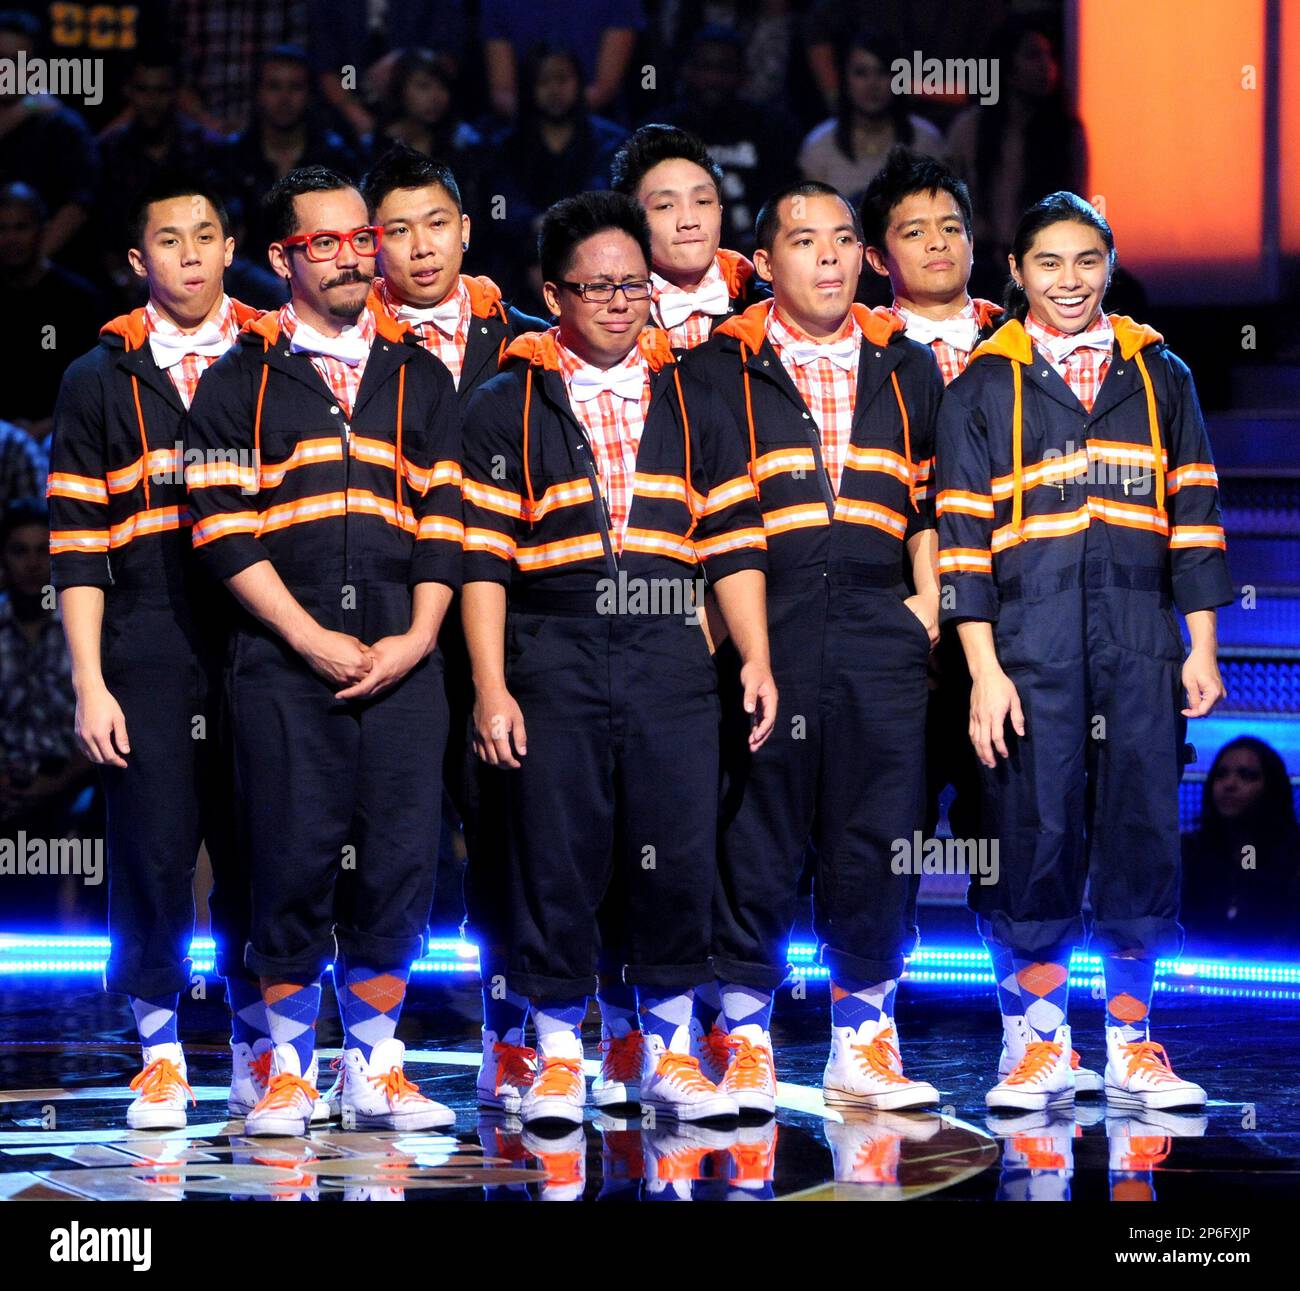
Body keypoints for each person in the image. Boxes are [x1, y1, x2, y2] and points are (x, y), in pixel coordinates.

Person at [459, 190, 776, 1127]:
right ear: (552, 292)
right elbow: (481, 557)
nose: (615, 302)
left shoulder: (698, 389)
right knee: (554, 857)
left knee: (675, 853)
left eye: (631, 285)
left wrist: (753, 654)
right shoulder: (504, 400)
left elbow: (735, 538)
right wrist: (490, 685)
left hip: (671, 651)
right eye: (593, 287)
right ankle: (559, 1051)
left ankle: (667, 1049)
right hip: (551, 648)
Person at [936, 191, 1232, 1114]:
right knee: (1034, 836)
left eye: (1087, 261)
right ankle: (1040, 1043)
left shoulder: (1159, 374)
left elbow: (1196, 513)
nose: (1071, 281)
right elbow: (958, 542)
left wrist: (1203, 646)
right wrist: (983, 669)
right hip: (1030, 651)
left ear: (1109, 264)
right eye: (1050, 264)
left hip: (1140, 642)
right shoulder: (982, 385)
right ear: (1016, 274)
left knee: (1141, 834)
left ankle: (1134, 1043)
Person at [184, 165, 463, 1137]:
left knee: (397, 866)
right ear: (280, 257)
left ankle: (373, 1063)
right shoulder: (236, 380)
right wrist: (305, 636)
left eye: (360, 238)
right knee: (291, 862)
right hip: (280, 656)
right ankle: (290, 1070)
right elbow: (218, 528)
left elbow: (449, 521)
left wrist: (418, 637)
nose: (351, 256)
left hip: (404, 652)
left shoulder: (422, 375)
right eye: (325, 243)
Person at [683, 181, 944, 1115]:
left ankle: (863, 1038)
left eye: (842, 240)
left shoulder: (907, 364)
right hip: (769, 622)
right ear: (765, 263)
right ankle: (743, 1035)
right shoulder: (716, 367)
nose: (830, 258)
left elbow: (930, 499)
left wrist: (924, 606)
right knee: (755, 830)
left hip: (881, 630)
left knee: (878, 837)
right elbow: (705, 512)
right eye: (806, 241)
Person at [857, 147, 1111, 1094]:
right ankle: (866, 1035)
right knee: (885, 838)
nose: (936, 244)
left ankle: (1036, 1030)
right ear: (878, 252)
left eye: (952, 226)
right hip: (902, 641)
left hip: (1021, 642)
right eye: (912, 230)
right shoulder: (859, 347)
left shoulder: (1035, 334)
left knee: (1028, 834)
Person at [46, 179, 264, 1130]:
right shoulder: (98, 374)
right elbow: (76, 544)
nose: (189, 254)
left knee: (271, 841)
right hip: (147, 639)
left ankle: (271, 1049)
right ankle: (161, 1052)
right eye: (168, 241)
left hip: (267, 635)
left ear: (229, 250)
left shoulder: (275, 349)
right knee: (153, 848)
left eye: (206, 237)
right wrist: (90, 681)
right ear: (139, 262)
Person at [360, 143, 546, 1116]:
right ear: (369, 242)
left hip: (501, 637)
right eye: (396, 228)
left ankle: (508, 1040)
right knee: (384, 853)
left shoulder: (525, 344)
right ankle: (365, 1052)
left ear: (467, 230)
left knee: (510, 847)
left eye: (437, 223)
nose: (420, 246)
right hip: (380, 632)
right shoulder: (341, 344)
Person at [479, 43, 626, 314]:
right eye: (544, 81)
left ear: (579, 82)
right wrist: (535, 236)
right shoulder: (504, 146)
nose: (554, 90)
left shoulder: (610, 142)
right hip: (520, 266)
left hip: (595, 256)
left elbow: (606, 200)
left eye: (562, 79)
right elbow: (499, 208)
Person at [944, 17, 1087, 296]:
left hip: (1046, 258)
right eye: (1034, 55)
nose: (1047, 66)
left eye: (1050, 56)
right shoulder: (969, 128)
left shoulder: (1066, 132)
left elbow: (1074, 205)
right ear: (1007, 67)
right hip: (979, 258)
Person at [0, 497, 93, 924]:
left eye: (44, 550)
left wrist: (56, 784)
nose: (33, 563)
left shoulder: (83, 629)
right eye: (20, 550)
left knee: (102, 815)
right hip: (6, 779)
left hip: (74, 782)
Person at [611, 123, 768, 352]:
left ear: (720, 212)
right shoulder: (603, 319)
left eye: (703, 202)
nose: (689, 221)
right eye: (665, 206)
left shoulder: (767, 307)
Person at [663, 25, 802, 257]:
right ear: (687, 71)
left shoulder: (773, 128)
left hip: (760, 254)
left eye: (725, 68)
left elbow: (786, 203)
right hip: (683, 252)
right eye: (705, 67)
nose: (714, 79)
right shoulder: (664, 130)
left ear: (743, 74)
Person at [222, 46, 358, 260]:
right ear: (258, 93)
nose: (284, 98)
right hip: (247, 282)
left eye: (295, 87)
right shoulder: (231, 160)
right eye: (274, 87)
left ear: (310, 94)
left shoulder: (336, 159)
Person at [1181, 736, 1300, 954]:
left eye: (1246, 776)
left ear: (1272, 786)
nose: (1230, 784)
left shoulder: (1294, 858)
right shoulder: (1188, 853)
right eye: (1221, 774)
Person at [797, 31, 945, 206]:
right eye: (861, 73)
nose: (872, 84)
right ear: (845, 79)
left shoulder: (926, 140)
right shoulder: (818, 146)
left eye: (882, 72)